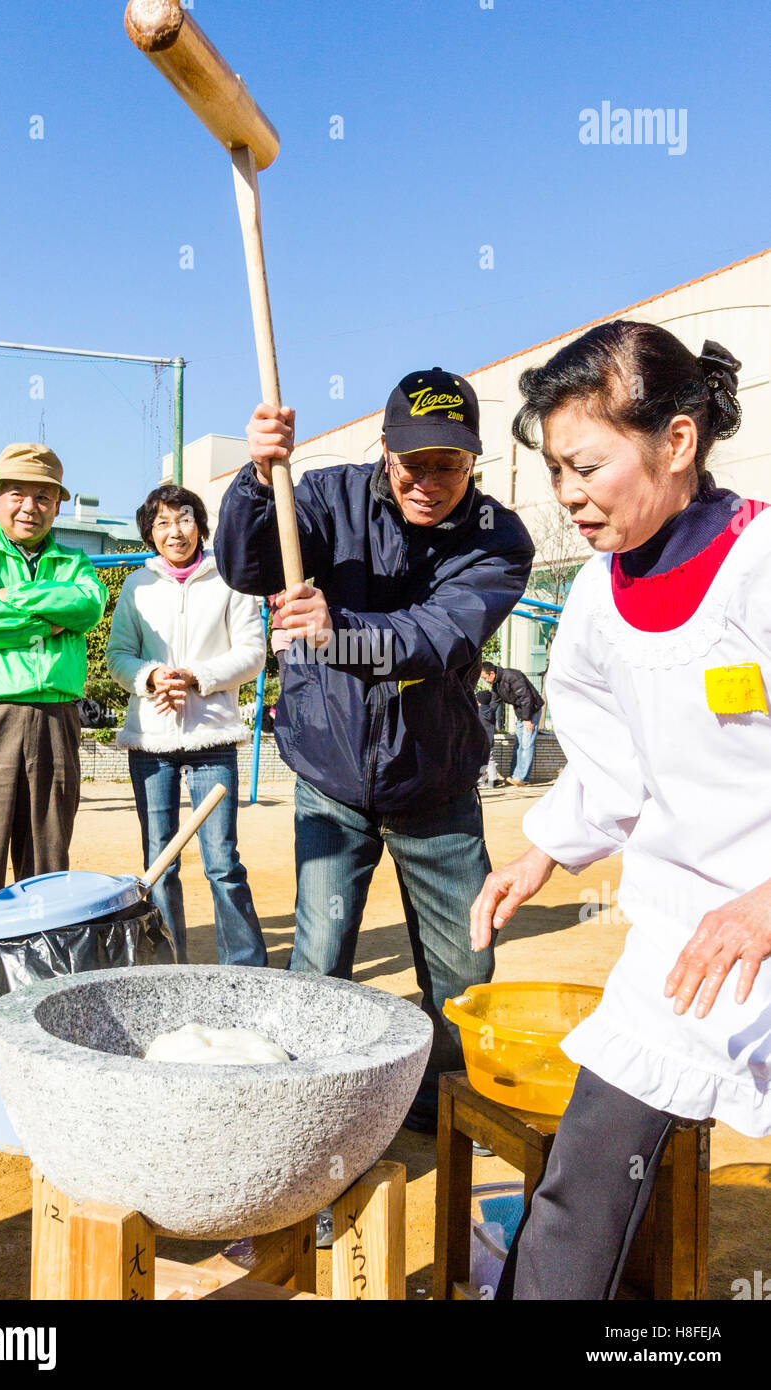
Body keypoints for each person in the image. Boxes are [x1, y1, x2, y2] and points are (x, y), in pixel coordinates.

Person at [469, 322, 771, 1300]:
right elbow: (609, 769)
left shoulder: (757, 563)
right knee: (584, 1174)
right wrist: (539, 854)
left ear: (675, 442)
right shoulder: (596, 602)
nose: (566, 494)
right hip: (683, 944)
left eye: (585, 464)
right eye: (555, 469)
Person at [215, 367, 534, 1131]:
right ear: (385, 451)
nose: (428, 480)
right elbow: (246, 563)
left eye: (448, 464)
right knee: (320, 958)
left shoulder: (501, 540)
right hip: (331, 773)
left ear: (473, 463)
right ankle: (313, 1113)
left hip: (437, 785)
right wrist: (260, 482)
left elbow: (442, 634)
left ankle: (441, 1108)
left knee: (465, 970)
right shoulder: (323, 496)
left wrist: (342, 633)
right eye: (413, 461)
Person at [0, 444, 107, 969]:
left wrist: (10, 599)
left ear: (57, 504)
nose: (29, 506)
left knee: (48, 865)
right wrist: (51, 617)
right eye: (17, 494)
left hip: (56, 721)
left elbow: (90, 605)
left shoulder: (73, 560)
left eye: (43, 496)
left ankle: (36, 991)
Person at [106, 484, 267, 966]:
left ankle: (244, 965)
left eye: (183, 519)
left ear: (200, 525)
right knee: (160, 861)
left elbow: (253, 654)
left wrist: (197, 677)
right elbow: (118, 656)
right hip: (151, 742)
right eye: (161, 523)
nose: (174, 531)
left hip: (212, 740)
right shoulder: (137, 586)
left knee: (222, 863)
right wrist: (151, 676)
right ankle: (169, 964)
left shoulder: (231, 581)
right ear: (149, 534)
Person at [479, 660, 544, 786]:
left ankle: (522, 778)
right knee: (518, 745)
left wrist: (527, 719)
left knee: (526, 744)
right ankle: (515, 776)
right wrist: (483, 715)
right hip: (521, 712)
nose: (485, 680)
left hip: (531, 711)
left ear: (491, 673)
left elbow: (526, 697)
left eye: (485, 677)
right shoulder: (497, 685)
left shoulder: (512, 676)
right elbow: (493, 704)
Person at [475, 687, 501, 788]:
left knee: (479, 761)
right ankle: (493, 779)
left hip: (480, 741)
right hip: (489, 741)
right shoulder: (492, 711)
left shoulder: (478, 712)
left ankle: (481, 780)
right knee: (490, 760)